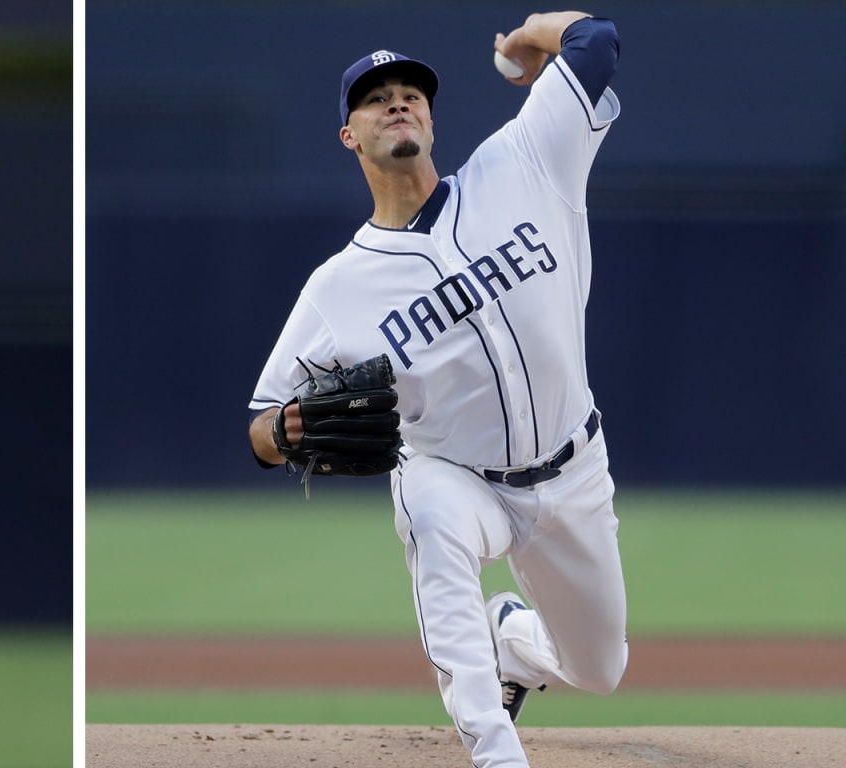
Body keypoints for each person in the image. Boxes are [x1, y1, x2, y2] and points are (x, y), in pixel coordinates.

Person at [247, 11, 625, 767]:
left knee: (599, 669)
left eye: (410, 94)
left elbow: (598, 40)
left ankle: (512, 634)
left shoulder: (522, 161)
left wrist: (531, 33)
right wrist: (283, 430)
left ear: (429, 117)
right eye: (375, 98)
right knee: (427, 509)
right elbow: (260, 426)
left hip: (574, 468)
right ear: (350, 136)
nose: (397, 102)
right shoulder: (338, 286)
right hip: (460, 476)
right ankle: (493, 749)